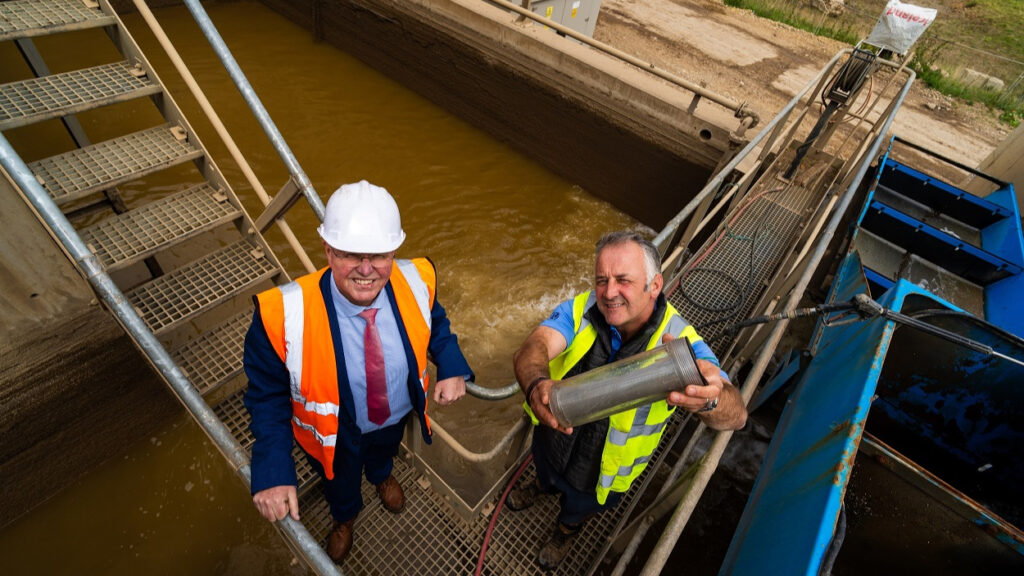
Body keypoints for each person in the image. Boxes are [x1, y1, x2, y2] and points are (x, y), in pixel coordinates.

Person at [243, 180, 473, 564]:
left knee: (384, 452)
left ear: (393, 251)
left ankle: (381, 476)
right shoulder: (281, 315)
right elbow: (266, 395)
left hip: (392, 417)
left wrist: (450, 364)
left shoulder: (416, 280)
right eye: (352, 255)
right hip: (334, 435)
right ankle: (345, 517)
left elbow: (436, 323)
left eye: (379, 255)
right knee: (339, 483)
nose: (367, 270)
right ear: (328, 249)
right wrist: (271, 467)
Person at [511, 230, 747, 571]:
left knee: (577, 509)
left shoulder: (680, 343)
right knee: (545, 474)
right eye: (601, 280)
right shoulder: (581, 309)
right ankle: (538, 487)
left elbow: (736, 415)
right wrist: (536, 386)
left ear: (654, 285)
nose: (608, 293)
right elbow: (534, 347)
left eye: (623, 280)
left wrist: (711, 400)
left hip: (604, 472)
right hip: (554, 439)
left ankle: (565, 532)